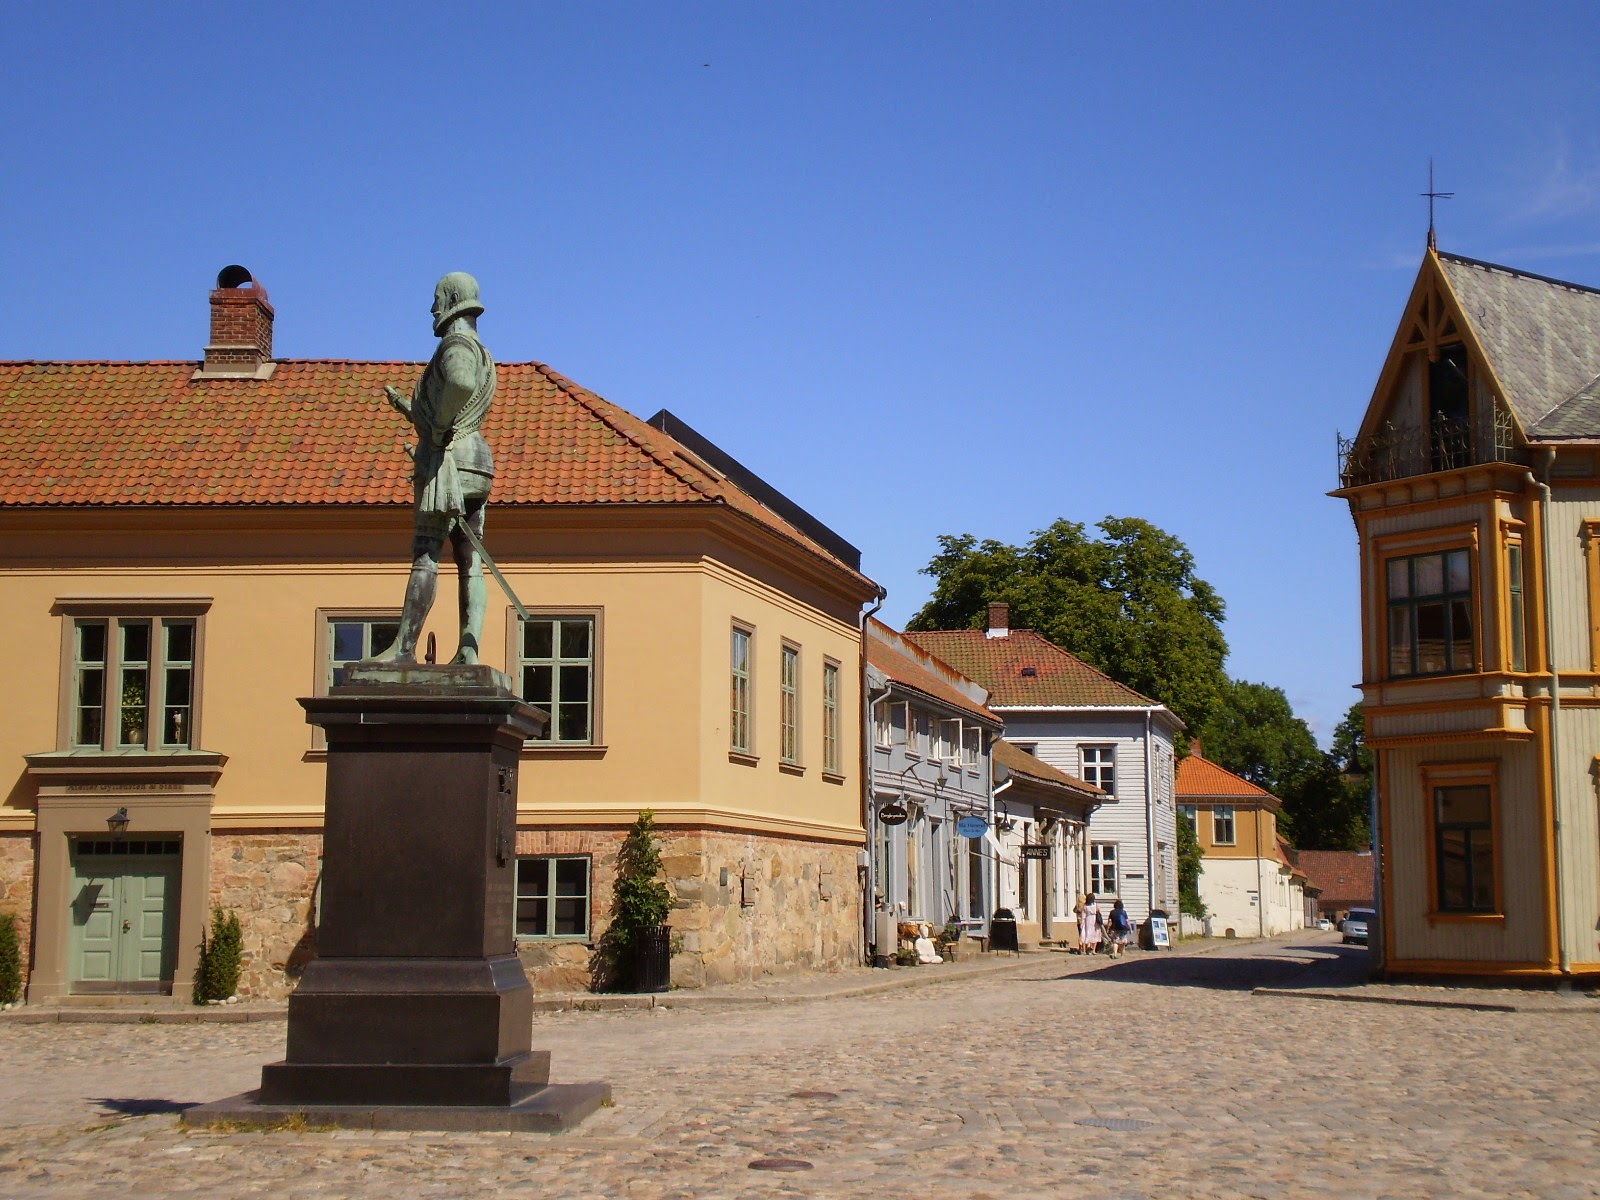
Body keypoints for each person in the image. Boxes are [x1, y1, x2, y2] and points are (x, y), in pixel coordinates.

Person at [372, 273, 497, 664]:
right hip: (477, 461)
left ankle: (403, 649)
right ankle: (469, 651)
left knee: (427, 553)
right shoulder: (484, 351)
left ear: (453, 300)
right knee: (470, 556)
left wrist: (440, 428)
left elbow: (458, 383)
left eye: (437, 298)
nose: (432, 308)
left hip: (450, 461)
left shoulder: (456, 344)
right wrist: (415, 412)